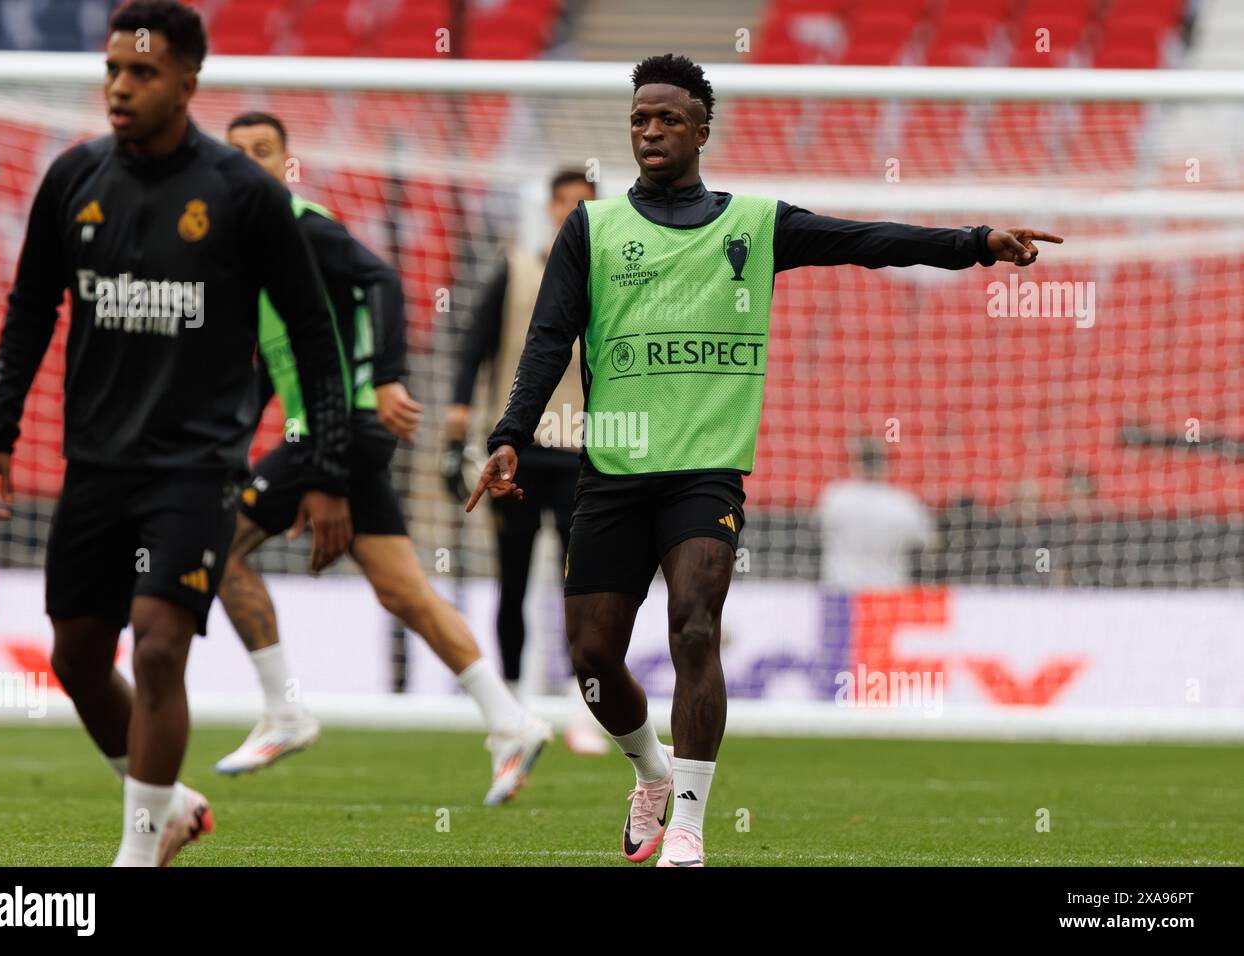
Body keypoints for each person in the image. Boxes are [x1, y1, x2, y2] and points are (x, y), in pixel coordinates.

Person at [467, 53, 1062, 866]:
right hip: (611, 470)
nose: (650, 130)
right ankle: (648, 773)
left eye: (667, 117)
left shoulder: (754, 222)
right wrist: (510, 434)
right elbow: (547, 338)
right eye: (639, 117)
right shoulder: (593, 228)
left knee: (697, 630)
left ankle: (687, 824)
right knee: (594, 658)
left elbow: (868, 241)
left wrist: (975, 243)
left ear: (701, 129)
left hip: (706, 469)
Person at [0, 1, 353, 866]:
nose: (119, 86)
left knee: (159, 642)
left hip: (199, 466)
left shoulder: (244, 194)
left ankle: (135, 856)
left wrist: (328, 469)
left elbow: (316, 334)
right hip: (97, 462)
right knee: (74, 655)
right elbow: (31, 309)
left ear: (188, 81)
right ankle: (170, 804)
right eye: (112, 69)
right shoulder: (72, 178)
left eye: (141, 72)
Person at [219, 113, 551, 805]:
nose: (249, 163)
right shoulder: (247, 249)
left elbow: (383, 281)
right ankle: (509, 721)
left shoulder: (305, 226)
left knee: (220, 549)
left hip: (341, 426)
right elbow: (261, 365)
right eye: (237, 153)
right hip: (323, 435)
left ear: (287, 162)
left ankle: (285, 711)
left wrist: (387, 378)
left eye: (263, 151)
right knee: (403, 589)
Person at [445, 169, 608, 756]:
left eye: (582, 204)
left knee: (582, 587)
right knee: (512, 581)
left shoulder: (611, 274)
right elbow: (473, 347)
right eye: (563, 201)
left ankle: (581, 707)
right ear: (548, 205)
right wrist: (457, 425)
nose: (571, 211)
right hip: (518, 449)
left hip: (583, 448)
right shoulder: (513, 268)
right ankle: (511, 707)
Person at [815, 438, 934, 589]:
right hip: (887, 591)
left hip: (841, 590)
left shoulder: (835, 497)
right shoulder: (904, 504)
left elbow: (818, 534)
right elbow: (929, 543)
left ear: (855, 463)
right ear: (884, 464)